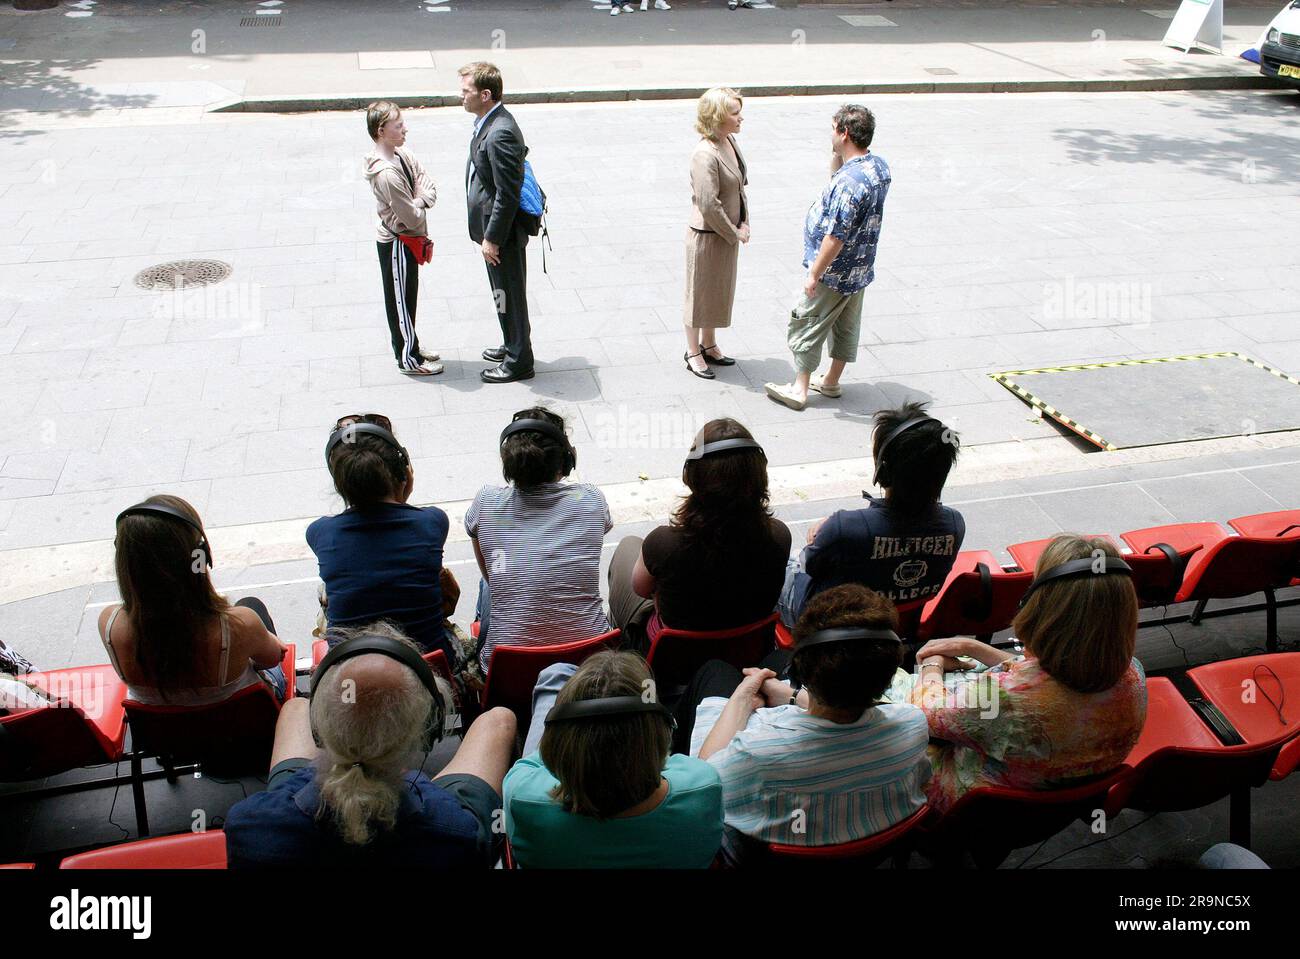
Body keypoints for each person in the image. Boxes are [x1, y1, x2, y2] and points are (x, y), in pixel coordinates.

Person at [225, 624, 517, 868]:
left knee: (295, 707)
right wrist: (425, 791)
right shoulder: (458, 835)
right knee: (499, 720)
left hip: (293, 811)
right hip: (425, 815)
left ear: (319, 728)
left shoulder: (249, 829)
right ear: (426, 735)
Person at [678, 584, 930, 863]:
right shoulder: (914, 724)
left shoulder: (756, 755)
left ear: (798, 670)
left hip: (748, 855)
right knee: (774, 659)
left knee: (715, 670)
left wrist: (744, 695)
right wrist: (793, 695)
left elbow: (703, 782)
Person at [910, 534, 1147, 813]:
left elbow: (924, 714)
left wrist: (932, 664)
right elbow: (1047, 674)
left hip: (976, 810)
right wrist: (971, 647)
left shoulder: (1000, 699)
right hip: (1052, 808)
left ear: (1037, 605)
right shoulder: (1134, 674)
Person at [503, 652, 723, 868]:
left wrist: (574, 734)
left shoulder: (523, 796)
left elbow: (541, 757)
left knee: (555, 673)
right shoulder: (703, 789)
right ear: (661, 733)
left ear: (556, 745)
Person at [606, 418, 791, 653]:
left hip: (674, 660)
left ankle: (624, 641)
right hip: (744, 649)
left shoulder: (664, 543)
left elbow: (641, 590)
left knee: (628, 545)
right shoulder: (780, 535)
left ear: (691, 475)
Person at [779, 401, 964, 627]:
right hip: (894, 622)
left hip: (827, 625)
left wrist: (826, 532)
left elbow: (810, 565)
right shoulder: (954, 523)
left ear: (883, 471)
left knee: (780, 562)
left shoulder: (844, 527)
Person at [99, 495, 288, 705]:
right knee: (251, 604)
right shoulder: (240, 625)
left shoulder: (109, 623)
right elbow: (272, 659)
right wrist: (265, 638)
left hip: (163, 733)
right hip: (238, 731)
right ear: (201, 557)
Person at [765, 104, 890, 411]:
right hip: (860, 269)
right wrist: (838, 153)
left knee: (808, 322)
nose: (830, 135)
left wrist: (814, 274)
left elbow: (835, 236)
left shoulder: (850, 184)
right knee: (846, 325)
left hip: (835, 271)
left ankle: (800, 388)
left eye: (833, 129)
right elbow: (840, 174)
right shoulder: (878, 167)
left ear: (844, 133)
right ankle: (831, 381)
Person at [468, 408, 611, 673]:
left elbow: (490, 573)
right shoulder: (591, 499)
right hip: (589, 664)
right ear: (567, 460)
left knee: (488, 586)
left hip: (508, 671)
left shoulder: (486, 502)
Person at [307, 414, 455, 662]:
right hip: (429, 671)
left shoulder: (320, 532)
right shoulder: (433, 522)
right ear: (404, 473)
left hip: (348, 672)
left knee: (326, 591)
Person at [459, 62, 535, 384]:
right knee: (502, 291)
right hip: (493, 231)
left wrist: (492, 238)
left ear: (485, 94)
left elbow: (507, 193)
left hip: (501, 234)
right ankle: (511, 343)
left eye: (466, 91)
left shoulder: (500, 131)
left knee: (511, 293)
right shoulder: (486, 122)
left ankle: (519, 361)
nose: (461, 96)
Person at [363, 101, 442, 377]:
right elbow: (410, 216)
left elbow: (426, 182)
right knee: (400, 300)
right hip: (398, 242)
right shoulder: (386, 174)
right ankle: (408, 358)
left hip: (407, 240)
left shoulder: (402, 154)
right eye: (398, 126)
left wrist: (419, 199)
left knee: (408, 296)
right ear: (381, 131)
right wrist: (421, 202)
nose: (405, 129)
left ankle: (413, 346)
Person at [683, 87, 749, 380]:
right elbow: (709, 204)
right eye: (734, 113)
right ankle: (693, 351)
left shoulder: (729, 141)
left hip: (727, 234)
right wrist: (734, 232)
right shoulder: (704, 154)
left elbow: (739, 185)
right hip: (709, 236)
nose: (740, 118)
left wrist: (744, 222)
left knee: (717, 292)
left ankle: (708, 344)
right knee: (698, 297)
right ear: (718, 116)